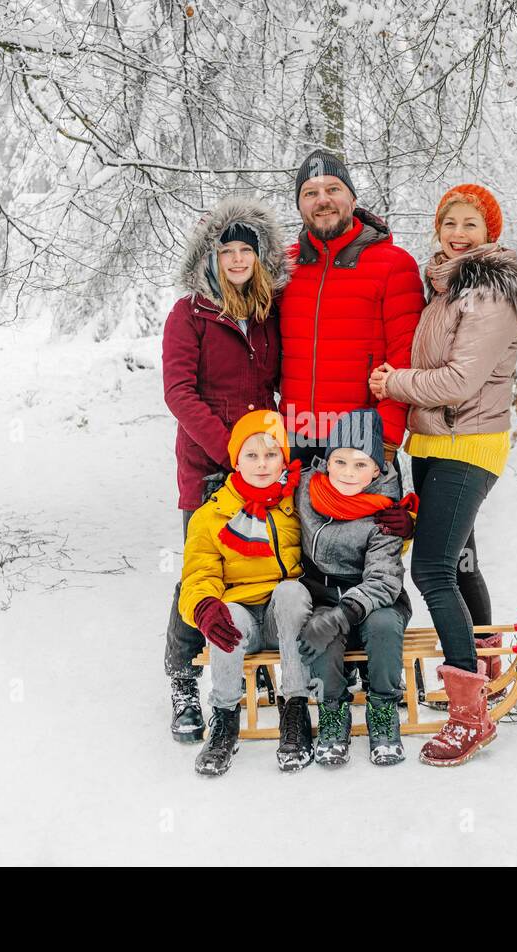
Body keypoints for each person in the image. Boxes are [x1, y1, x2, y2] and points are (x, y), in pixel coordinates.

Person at [370, 183, 517, 767]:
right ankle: (483, 664)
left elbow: (458, 381)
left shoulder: (490, 293)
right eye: (451, 222)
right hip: (438, 441)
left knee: (432, 568)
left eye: (472, 224)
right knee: (462, 558)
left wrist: (392, 383)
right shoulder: (448, 287)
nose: (459, 232)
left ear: (490, 234)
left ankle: (470, 715)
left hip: (468, 444)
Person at [161, 197, 290, 743]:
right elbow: (179, 393)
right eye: (227, 250)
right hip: (211, 468)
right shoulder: (188, 315)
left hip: (262, 469)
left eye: (247, 250)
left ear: (260, 258)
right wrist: (230, 451)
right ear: (209, 258)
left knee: (261, 566)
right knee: (201, 570)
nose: (237, 259)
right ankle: (184, 680)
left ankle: (247, 668)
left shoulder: (266, 313)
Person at [179, 410, 316, 776]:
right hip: (242, 620)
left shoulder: (299, 503)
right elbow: (197, 576)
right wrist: (204, 606)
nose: (261, 464)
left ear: (284, 459)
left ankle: (295, 710)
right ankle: (224, 720)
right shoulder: (210, 516)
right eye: (251, 455)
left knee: (291, 592)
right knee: (227, 613)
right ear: (236, 459)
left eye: (271, 454)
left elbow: (346, 540)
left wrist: (400, 528)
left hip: (281, 618)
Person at [278, 149, 424, 470]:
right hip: (294, 432)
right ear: (300, 205)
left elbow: (405, 356)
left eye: (333, 189)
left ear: (353, 199)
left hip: (361, 436)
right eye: (310, 193)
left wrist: (384, 437)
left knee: (363, 523)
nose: (322, 200)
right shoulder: (284, 265)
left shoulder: (394, 264)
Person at [293, 410, 416, 767]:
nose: (348, 472)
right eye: (340, 461)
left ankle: (382, 708)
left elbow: (383, 580)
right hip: (322, 594)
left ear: (377, 469)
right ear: (326, 462)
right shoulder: (306, 488)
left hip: (376, 599)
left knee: (381, 626)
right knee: (321, 632)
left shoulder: (384, 512)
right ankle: (333, 712)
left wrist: (342, 614)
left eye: (361, 464)